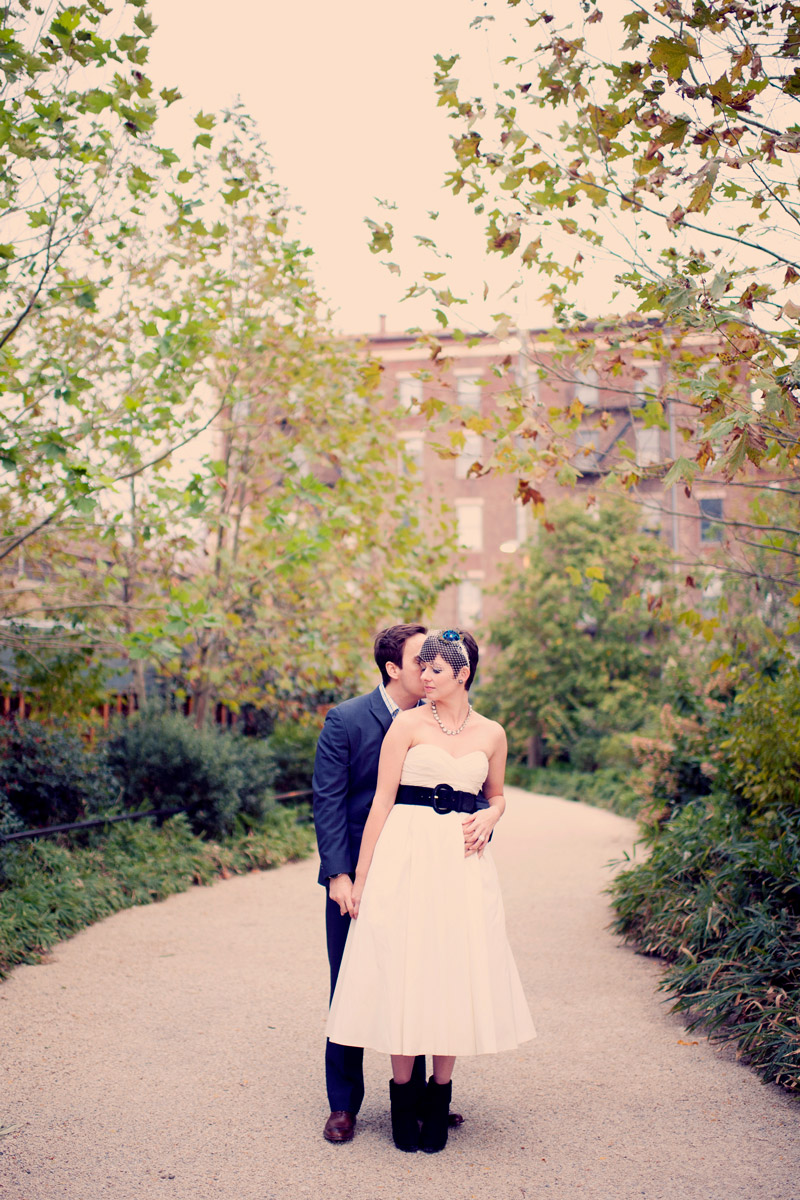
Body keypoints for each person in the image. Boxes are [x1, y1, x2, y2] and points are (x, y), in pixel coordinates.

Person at [326, 628, 535, 1154]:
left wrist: (492, 814)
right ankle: (383, 1101)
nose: (424, 675)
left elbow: (498, 795)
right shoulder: (402, 725)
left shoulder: (492, 732)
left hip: (460, 864)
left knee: (449, 969)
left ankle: (437, 1099)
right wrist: (359, 878)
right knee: (397, 969)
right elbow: (376, 806)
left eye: (434, 669)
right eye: (420, 667)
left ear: (461, 674)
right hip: (404, 859)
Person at [314, 623, 436, 1144]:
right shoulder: (345, 720)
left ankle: (421, 1100)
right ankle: (343, 1105)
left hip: (422, 873)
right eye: (420, 660)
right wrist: (338, 876)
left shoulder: (441, 721)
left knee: (422, 983)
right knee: (350, 986)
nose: (432, 667)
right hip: (357, 879)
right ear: (392, 668)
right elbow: (328, 801)